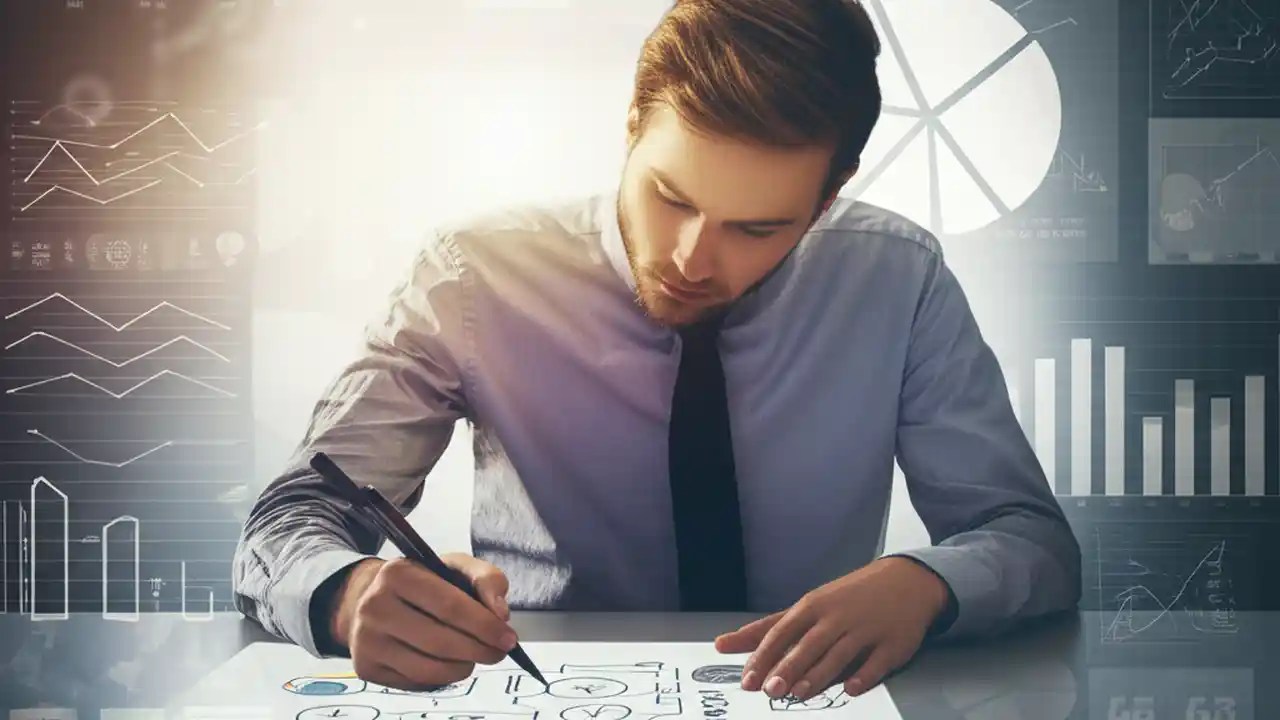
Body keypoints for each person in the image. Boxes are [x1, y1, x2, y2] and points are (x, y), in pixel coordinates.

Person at [233, 0, 1081, 702]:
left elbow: (1030, 541)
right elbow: (291, 520)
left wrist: (925, 585)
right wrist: (346, 597)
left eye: (758, 228)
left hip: (804, 706)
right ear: (633, 127)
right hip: (544, 700)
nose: (690, 259)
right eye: (670, 197)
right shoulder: (473, 277)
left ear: (828, 199)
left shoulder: (901, 279)